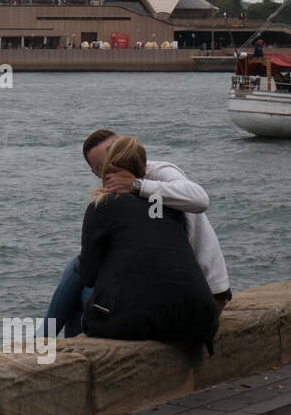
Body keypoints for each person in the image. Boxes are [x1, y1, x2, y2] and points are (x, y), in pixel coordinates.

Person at [39, 129, 231, 338]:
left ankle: (40, 342)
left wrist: (137, 185)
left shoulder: (158, 173)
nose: (109, 165)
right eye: (100, 166)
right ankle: (60, 345)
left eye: (111, 154)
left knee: (80, 273)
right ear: (96, 172)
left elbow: (201, 199)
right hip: (183, 297)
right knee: (83, 290)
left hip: (202, 294)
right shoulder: (124, 200)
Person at [74, 136, 220, 353]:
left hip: (146, 319)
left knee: (79, 284)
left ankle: (47, 340)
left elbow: (88, 276)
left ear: (109, 167)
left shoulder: (103, 206)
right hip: (202, 317)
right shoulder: (163, 202)